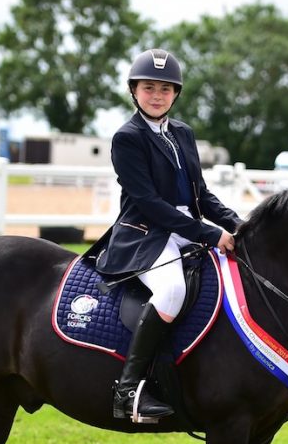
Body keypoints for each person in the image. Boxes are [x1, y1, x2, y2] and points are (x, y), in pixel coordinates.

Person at [87, 48, 242, 423]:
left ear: (176, 94)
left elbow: (200, 194)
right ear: (134, 91)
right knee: (172, 290)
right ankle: (128, 392)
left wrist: (238, 224)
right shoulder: (127, 137)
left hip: (186, 230)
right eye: (148, 87)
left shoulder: (183, 134)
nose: (157, 95)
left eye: (165, 89)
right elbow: (149, 202)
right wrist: (207, 233)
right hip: (146, 234)